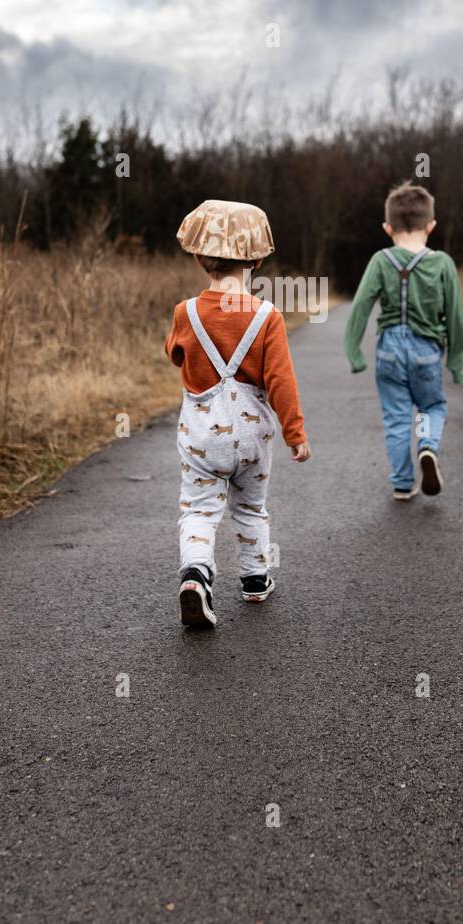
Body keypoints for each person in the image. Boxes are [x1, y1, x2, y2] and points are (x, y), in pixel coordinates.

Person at [165, 199, 311, 628]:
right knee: (250, 508)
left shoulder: (185, 313)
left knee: (198, 510)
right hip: (253, 441)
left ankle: (196, 575)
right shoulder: (267, 316)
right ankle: (254, 579)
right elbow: (281, 381)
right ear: (259, 259)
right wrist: (295, 434)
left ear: (197, 256)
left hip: (200, 438)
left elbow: (175, 355)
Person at [344, 182, 463, 499]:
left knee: (396, 417)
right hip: (426, 351)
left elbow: (360, 307)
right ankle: (427, 445)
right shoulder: (442, 264)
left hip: (388, 351)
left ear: (388, 228)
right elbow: (455, 315)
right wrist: (457, 362)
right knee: (431, 406)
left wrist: (354, 352)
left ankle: (402, 482)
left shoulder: (380, 261)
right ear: (431, 225)